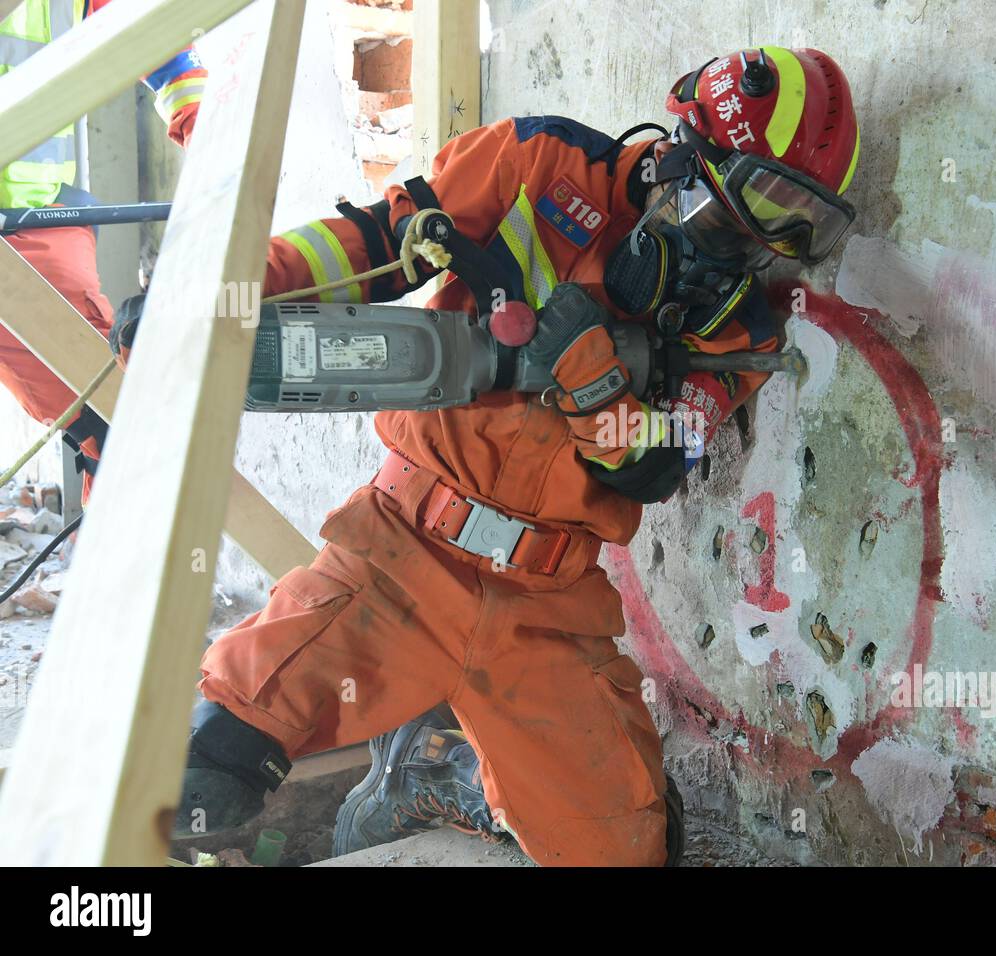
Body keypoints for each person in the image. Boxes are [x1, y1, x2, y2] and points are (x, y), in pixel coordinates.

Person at [154, 46, 858, 866]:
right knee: (203, 774)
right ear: (686, 154)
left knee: (632, 853)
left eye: (792, 219)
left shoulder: (740, 330)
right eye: (756, 197)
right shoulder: (543, 162)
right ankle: (421, 751)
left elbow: (656, 468)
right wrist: (223, 295)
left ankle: (446, 772)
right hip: (396, 558)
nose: (756, 239)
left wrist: (598, 392)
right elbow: (376, 241)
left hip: (547, 605)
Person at [0, 0, 204, 500]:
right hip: (29, 227)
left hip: (33, 224)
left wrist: (205, 129)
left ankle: (127, 567)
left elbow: (149, 35)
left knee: (109, 416)